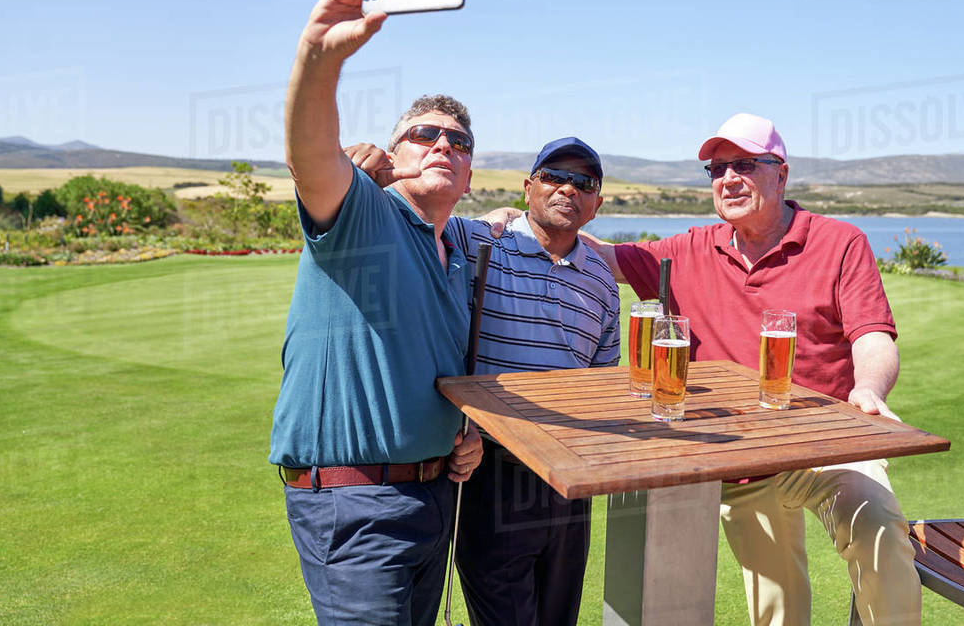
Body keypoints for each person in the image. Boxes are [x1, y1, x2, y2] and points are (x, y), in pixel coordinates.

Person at [580, 112, 920, 626]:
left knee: (878, 532)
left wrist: (869, 388)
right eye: (716, 170)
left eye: (743, 164)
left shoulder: (839, 241)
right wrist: (515, 221)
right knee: (777, 607)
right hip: (742, 458)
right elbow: (599, 255)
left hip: (827, 447)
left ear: (780, 174)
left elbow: (873, 335)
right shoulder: (689, 250)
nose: (728, 179)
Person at [269, 0, 484, 626]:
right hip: (355, 508)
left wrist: (463, 431)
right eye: (424, 134)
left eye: (458, 140)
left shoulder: (459, 253)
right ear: (392, 155)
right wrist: (318, 57)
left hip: (431, 498)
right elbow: (312, 153)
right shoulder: (362, 211)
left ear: (471, 172)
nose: (442, 143)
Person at [345, 136, 620, 626]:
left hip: (568, 474)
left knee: (560, 615)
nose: (568, 189)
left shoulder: (601, 279)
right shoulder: (476, 241)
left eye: (584, 183)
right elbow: (409, 223)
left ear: (596, 203)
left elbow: (600, 385)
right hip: (490, 468)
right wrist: (369, 180)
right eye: (554, 176)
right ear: (528, 187)